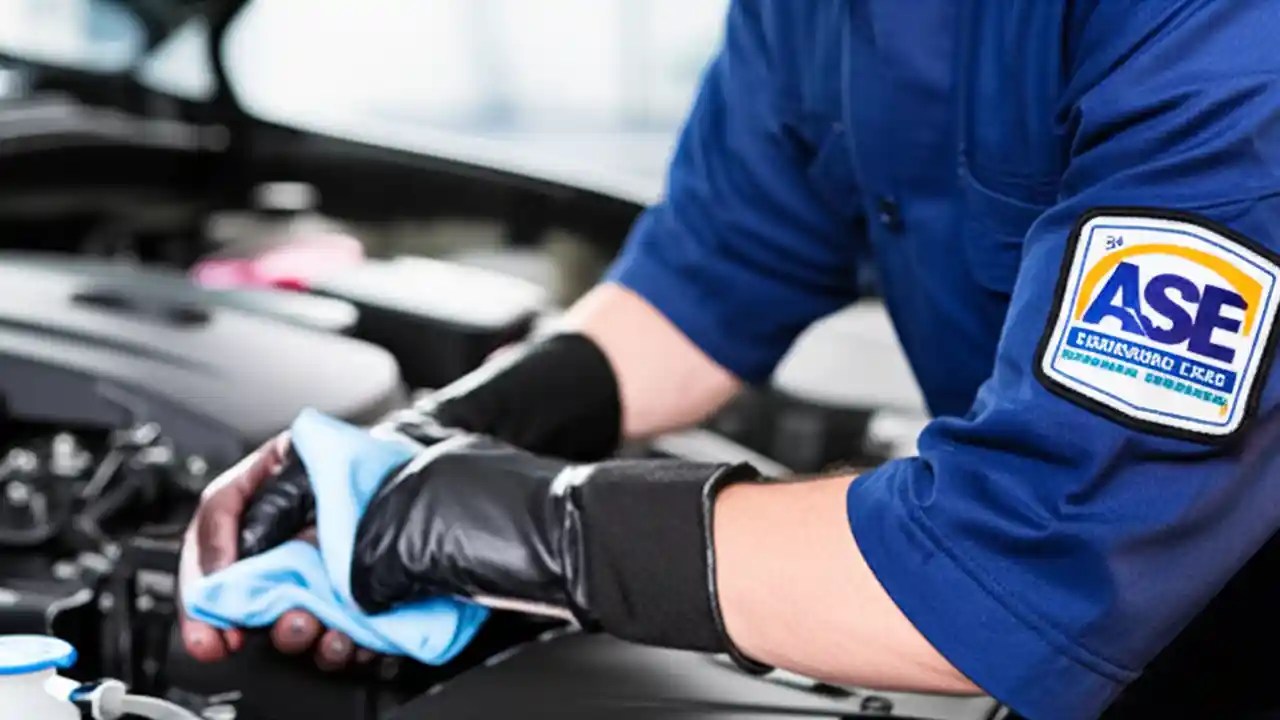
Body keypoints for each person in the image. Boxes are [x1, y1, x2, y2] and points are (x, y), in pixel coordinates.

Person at [178, 1, 1280, 718]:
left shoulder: (1222, 37)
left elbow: (1021, 557)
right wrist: (450, 436)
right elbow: (718, 267)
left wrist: (533, 527)